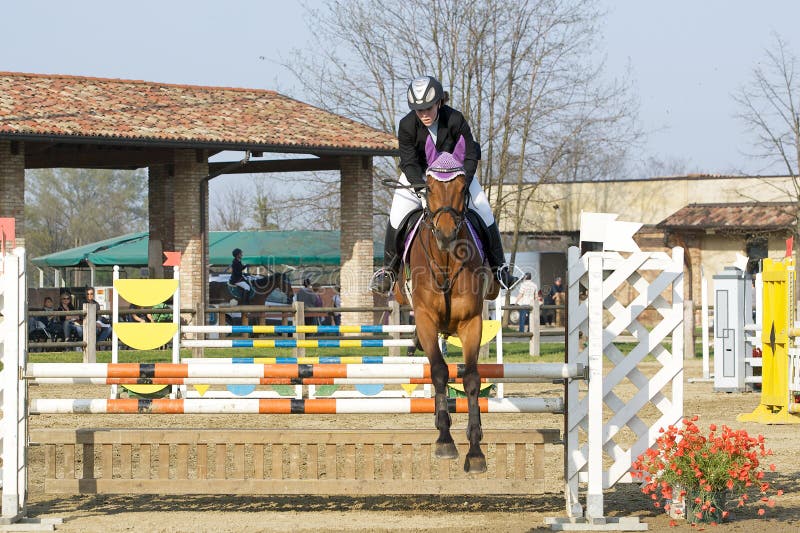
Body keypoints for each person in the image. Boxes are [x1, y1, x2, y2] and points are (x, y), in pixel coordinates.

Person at [370, 75, 518, 295]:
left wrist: (463, 183)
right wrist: (422, 189)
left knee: (484, 211)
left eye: (428, 108)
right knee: (397, 215)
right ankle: (389, 272)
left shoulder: (455, 119)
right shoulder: (407, 125)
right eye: (419, 110)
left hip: (455, 178)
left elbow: (470, 154)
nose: (424, 114)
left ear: (439, 102)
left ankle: (500, 269)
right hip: (419, 178)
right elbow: (409, 162)